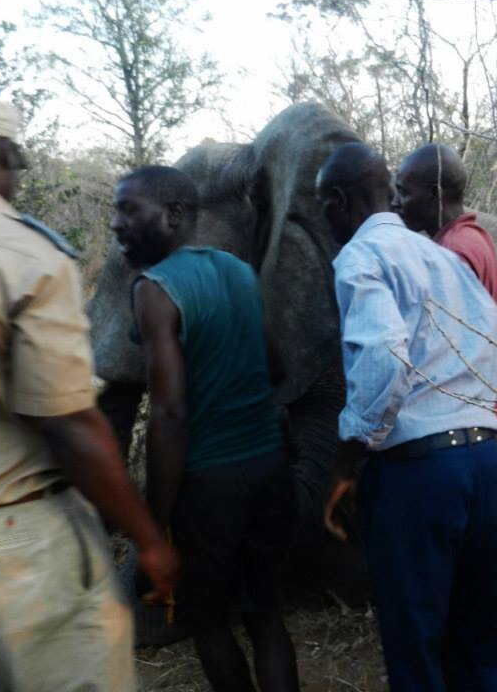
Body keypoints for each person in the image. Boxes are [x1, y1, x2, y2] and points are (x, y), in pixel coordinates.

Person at [0, 84, 177, 691]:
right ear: (4, 156)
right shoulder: (22, 254)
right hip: (7, 541)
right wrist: (148, 538)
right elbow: (72, 427)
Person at [319, 142, 497, 692]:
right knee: (480, 638)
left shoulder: (361, 257)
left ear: (337, 199)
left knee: (415, 642)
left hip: (421, 471)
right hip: (484, 463)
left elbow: (384, 358)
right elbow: (488, 345)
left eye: (321, 204)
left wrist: (348, 459)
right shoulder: (445, 256)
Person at [111, 165, 299, 692]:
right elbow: (276, 364)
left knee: (209, 620)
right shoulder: (238, 271)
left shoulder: (154, 289)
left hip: (209, 485)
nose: (116, 224)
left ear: (174, 215)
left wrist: (155, 525)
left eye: (129, 209)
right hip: (270, 471)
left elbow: (169, 413)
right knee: (265, 615)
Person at [392, 143, 497, 454]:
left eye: (404, 192)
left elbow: (442, 352)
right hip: (482, 423)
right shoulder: (472, 237)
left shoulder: (452, 251)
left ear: (435, 193)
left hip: (461, 432)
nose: (396, 202)